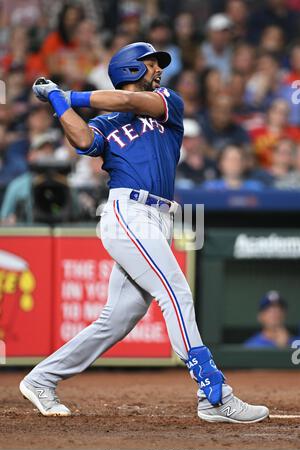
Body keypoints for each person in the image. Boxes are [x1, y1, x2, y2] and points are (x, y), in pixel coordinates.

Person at [19, 42, 269, 424]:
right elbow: (84, 141)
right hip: (128, 211)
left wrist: (68, 93)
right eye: (151, 64)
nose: (158, 70)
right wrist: (58, 102)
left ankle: (42, 378)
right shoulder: (105, 121)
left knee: (119, 317)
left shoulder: (166, 100)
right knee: (175, 291)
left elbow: (131, 104)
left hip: (159, 217)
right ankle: (214, 394)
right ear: (131, 69)